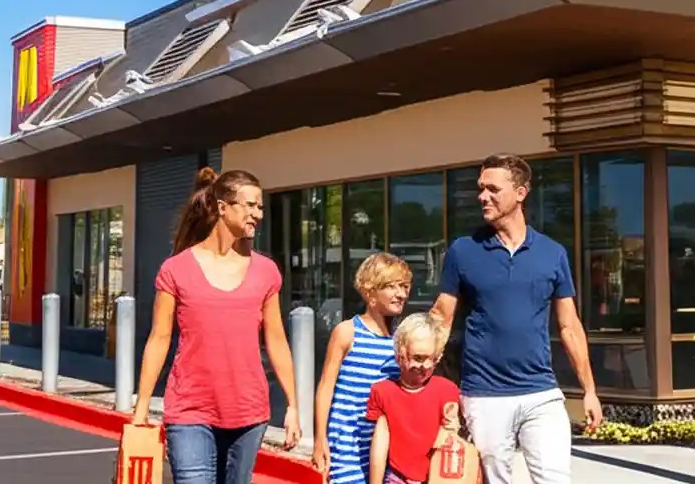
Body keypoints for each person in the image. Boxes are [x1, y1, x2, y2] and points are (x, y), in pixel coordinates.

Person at [431, 153, 602, 484]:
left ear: (521, 193)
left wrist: (590, 390)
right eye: (481, 189)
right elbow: (440, 318)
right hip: (483, 395)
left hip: (541, 391)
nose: (483, 196)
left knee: (555, 478)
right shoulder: (463, 251)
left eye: (493, 189)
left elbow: (569, 326)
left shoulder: (552, 253)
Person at [130, 168, 301, 484]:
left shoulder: (265, 272)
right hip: (189, 410)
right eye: (249, 205)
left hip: (248, 414)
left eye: (260, 207)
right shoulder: (176, 270)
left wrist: (293, 404)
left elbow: (276, 340)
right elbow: (159, 338)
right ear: (223, 207)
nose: (257, 214)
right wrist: (141, 409)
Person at [313, 253, 412, 484]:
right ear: (370, 292)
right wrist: (320, 439)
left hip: (386, 447)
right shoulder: (348, 332)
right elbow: (326, 387)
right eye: (392, 287)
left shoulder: (400, 341)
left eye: (404, 286)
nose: (401, 294)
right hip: (346, 446)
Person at [366, 312, 462, 484]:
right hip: (397, 477)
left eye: (430, 359)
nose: (423, 365)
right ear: (400, 356)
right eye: (417, 358)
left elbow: (450, 437)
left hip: (436, 477)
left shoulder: (447, 390)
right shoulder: (383, 391)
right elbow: (380, 445)